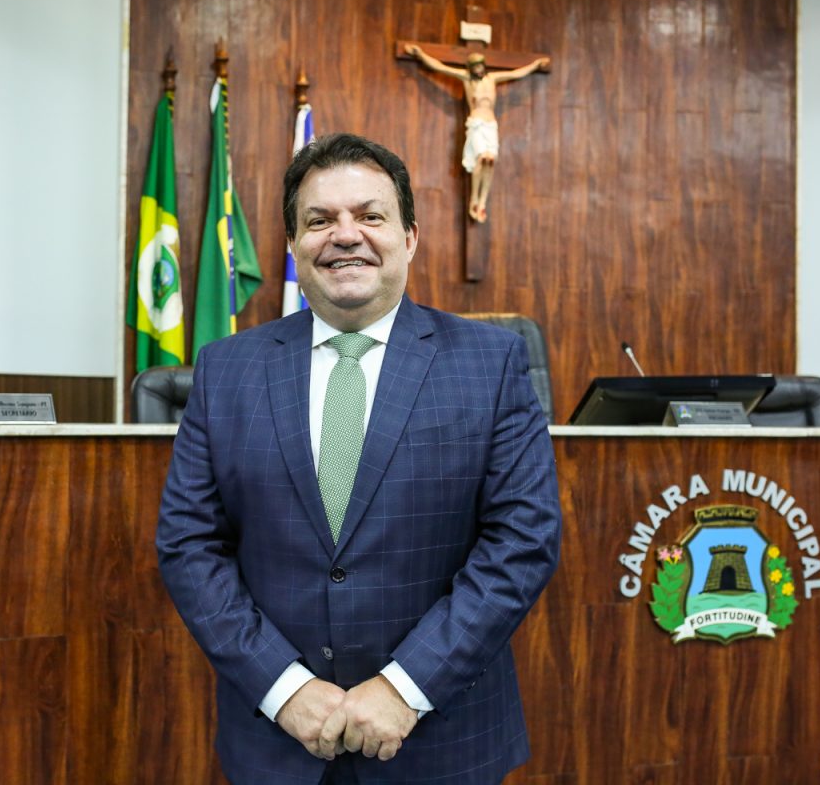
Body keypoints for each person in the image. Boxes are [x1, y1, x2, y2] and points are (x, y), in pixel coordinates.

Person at [158, 133, 561, 784]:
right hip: (277, 744)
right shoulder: (224, 369)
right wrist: (283, 687)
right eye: (320, 220)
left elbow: (523, 539)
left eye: (370, 216)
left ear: (409, 238)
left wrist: (404, 688)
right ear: (293, 246)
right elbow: (188, 544)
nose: (345, 235)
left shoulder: (490, 364)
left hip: (441, 741)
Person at [405, 45, 549, 223]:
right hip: (477, 125)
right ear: (471, 68)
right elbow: (439, 67)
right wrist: (420, 54)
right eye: (474, 67)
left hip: (490, 125)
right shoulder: (467, 79)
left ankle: (482, 201)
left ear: (483, 65)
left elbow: (516, 73)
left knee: (490, 160)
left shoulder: (492, 78)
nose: (478, 69)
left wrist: (535, 65)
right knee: (482, 159)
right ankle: (474, 198)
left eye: (480, 65)